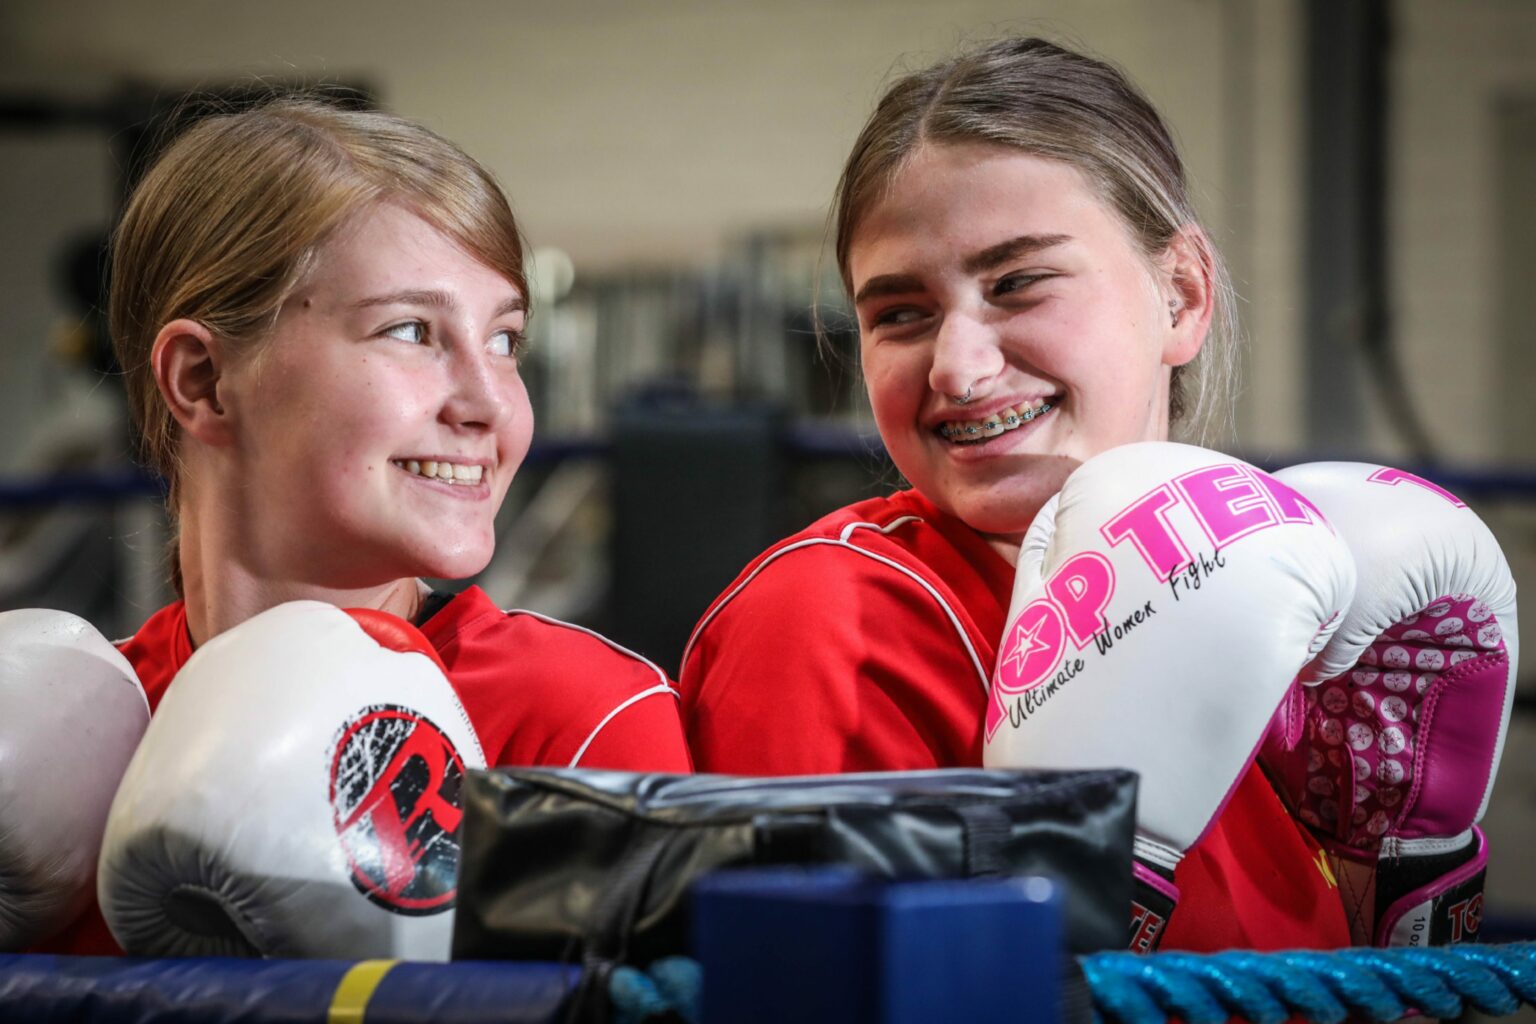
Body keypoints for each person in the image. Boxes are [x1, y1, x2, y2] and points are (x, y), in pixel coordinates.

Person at [678, 37, 1350, 951]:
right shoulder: (831, 628)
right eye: (900, 314)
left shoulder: (1285, 600)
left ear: (1182, 296)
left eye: (1018, 283)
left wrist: (1412, 870)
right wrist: (1116, 886)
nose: (957, 368)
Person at [35, 96, 690, 955]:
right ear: (202, 380)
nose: (491, 404)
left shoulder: (571, 721)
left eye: (505, 340)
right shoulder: (64, 741)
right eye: (411, 330)